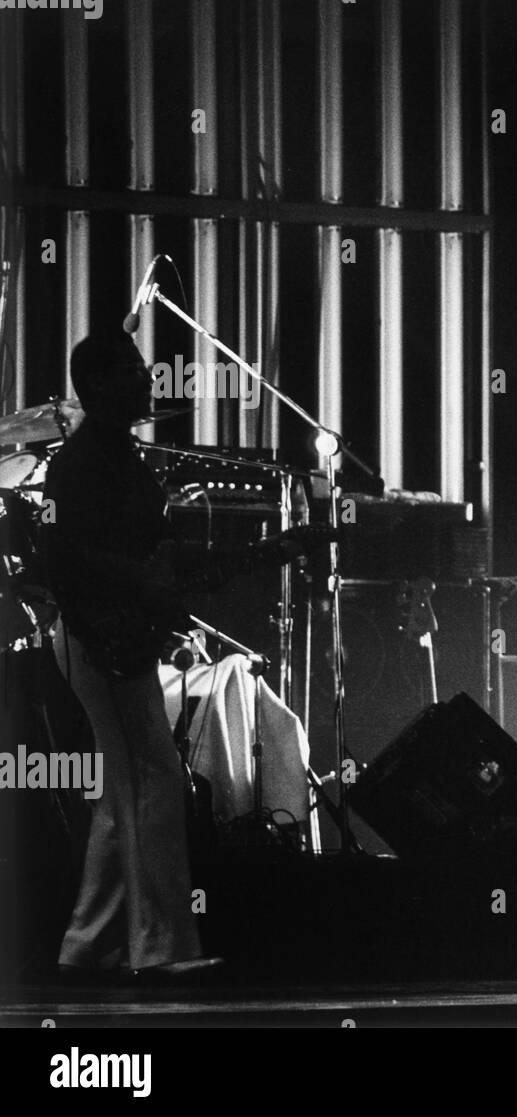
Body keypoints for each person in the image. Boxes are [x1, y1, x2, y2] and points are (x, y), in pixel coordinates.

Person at [39, 332, 222, 983]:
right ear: (100, 385)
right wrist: (137, 585)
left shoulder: (116, 456)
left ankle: (85, 945)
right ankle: (161, 945)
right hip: (95, 640)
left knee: (124, 794)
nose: (151, 379)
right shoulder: (82, 463)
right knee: (154, 777)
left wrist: (166, 562)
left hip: (105, 636)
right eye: (138, 370)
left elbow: (137, 542)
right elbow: (61, 558)